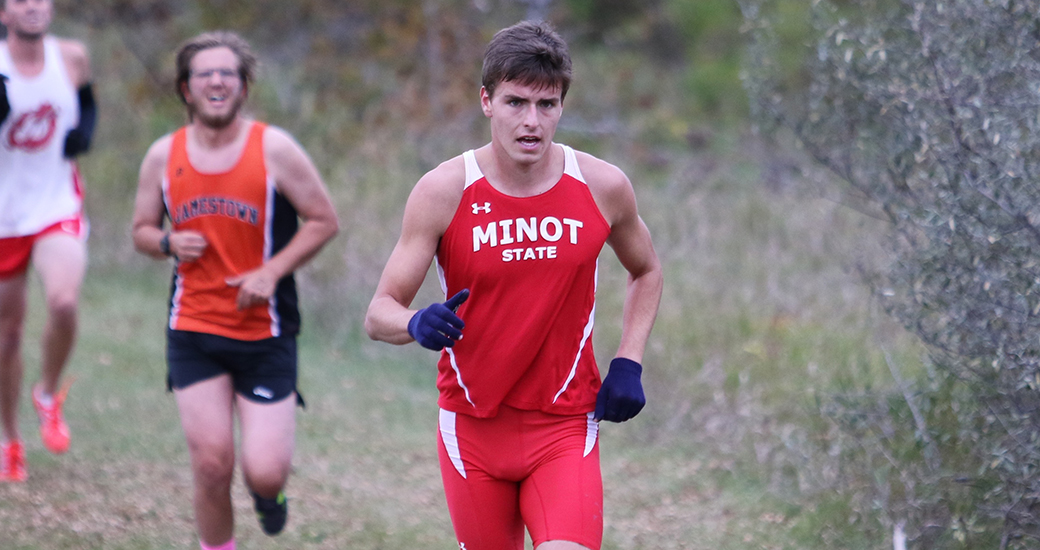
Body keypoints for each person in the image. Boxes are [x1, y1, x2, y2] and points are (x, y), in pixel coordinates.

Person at [365, 20, 663, 550]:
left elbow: (646, 270)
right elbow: (379, 313)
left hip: (564, 424)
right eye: (515, 102)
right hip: (473, 430)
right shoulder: (444, 191)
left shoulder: (602, 186)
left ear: (562, 107)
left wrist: (629, 360)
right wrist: (416, 322)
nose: (532, 122)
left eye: (546, 105)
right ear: (487, 101)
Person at [130, 31, 338, 550]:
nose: (217, 80)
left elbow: (323, 219)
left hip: (265, 333)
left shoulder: (274, 148)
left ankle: (270, 497)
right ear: (185, 88)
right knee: (210, 464)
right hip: (194, 328)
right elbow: (139, 232)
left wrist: (272, 271)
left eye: (228, 73)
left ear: (243, 87)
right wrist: (166, 240)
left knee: (264, 472)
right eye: (205, 73)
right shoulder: (163, 155)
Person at [0, 0, 96, 483]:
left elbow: (87, 102)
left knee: (63, 302)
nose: (34, 5)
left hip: (56, 205)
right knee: (8, 335)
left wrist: (85, 133)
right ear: (3, 14)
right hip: (3, 216)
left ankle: (47, 394)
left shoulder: (72, 56)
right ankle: (8, 439)